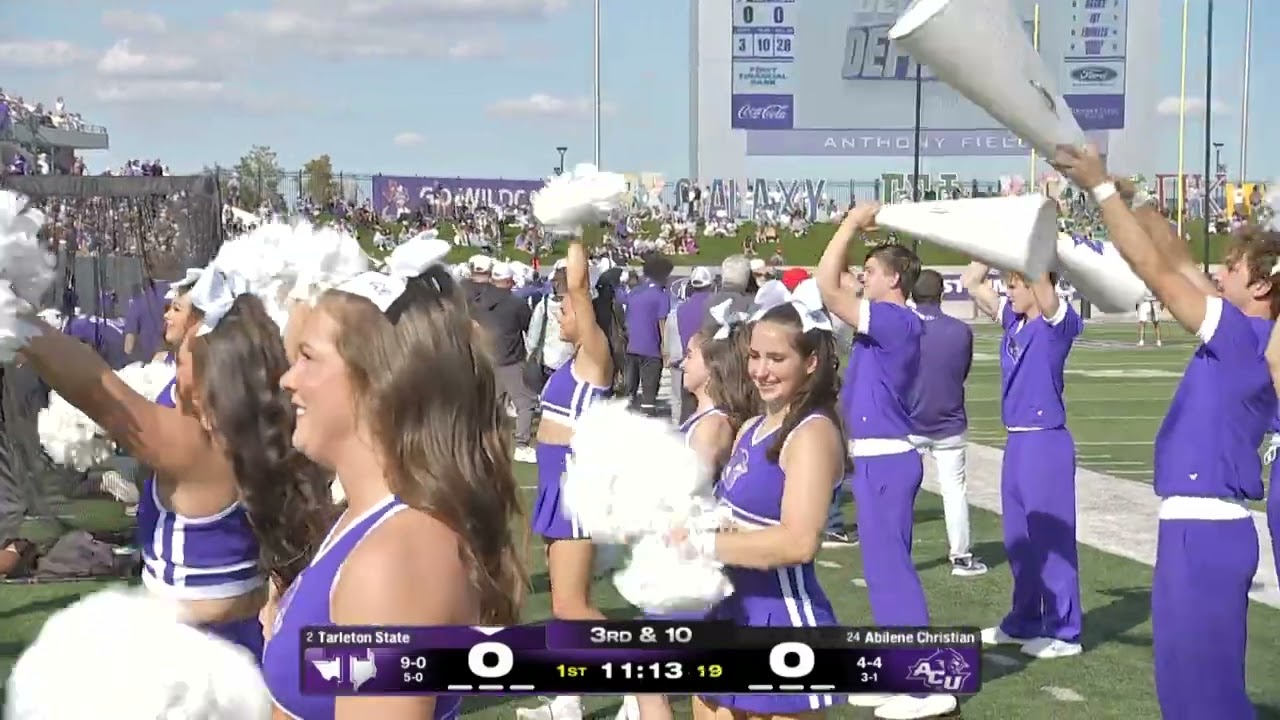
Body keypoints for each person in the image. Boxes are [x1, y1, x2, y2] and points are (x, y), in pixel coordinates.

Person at [1056, 144, 1277, 718]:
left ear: (1261, 289)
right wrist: (1141, 202)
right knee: (1189, 692)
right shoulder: (1242, 330)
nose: (1218, 272)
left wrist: (1102, 190)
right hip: (1199, 527)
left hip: (1206, 529)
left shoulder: (1238, 336)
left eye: (1232, 267)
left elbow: (1155, 270)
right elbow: (1178, 261)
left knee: (1202, 699)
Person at [263, 241, 526, 719]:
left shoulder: (395, 560)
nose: (287, 379)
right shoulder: (365, 520)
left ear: (376, 383)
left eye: (308, 358)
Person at [19, 269, 334, 662]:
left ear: (206, 380)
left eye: (182, 360)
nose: (174, 367)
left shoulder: (198, 449)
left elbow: (97, 390)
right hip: (243, 647)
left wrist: (14, 315)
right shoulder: (274, 430)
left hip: (191, 662)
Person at [675, 282, 846, 720]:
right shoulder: (751, 426)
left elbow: (798, 543)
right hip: (730, 613)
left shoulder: (812, 433)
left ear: (811, 363)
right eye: (755, 356)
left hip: (782, 622)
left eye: (777, 359)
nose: (761, 371)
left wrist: (704, 543)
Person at [816, 206, 955, 719]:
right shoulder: (891, 320)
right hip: (878, 458)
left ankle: (927, 685)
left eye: (871, 271)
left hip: (887, 459)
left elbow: (827, 284)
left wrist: (852, 224)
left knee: (894, 574)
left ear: (894, 279)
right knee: (881, 572)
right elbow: (837, 284)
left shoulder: (895, 318)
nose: (861, 276)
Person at [963, 257, 1083, 660]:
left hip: (1045, 441)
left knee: (1051, 539)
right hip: (1015, 441)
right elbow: (971, 280)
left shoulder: (1057, 327)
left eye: (1015, 283)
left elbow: (1047, 291)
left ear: (1036, 286)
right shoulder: (1013, 323)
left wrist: (1033, 252)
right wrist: (991, 245)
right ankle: (1025, 618)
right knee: (1019, 539)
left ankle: (1065, 631)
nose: (1007, 290)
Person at [519, 239, 614, 720]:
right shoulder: (573, 359)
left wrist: (576, 230)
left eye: (565, 307)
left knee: (575, 606)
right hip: (557, 487)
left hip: (576, 490)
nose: (560, 312)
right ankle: (567, 700)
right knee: (563, 605)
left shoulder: (596, 355)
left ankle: (648, 692)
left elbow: (577, 283)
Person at [907, 270, 986, 577]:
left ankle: (897, 555)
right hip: (949, 420)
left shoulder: (904, 327)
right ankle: (961, 556)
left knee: (902, 492)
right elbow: (961, 371)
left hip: (910, 421)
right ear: (942, 294)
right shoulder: (960, 331)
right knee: (954, 492)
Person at [476, 261, 536, 463]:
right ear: (510, 281)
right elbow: (529, 328)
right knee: (525, 403)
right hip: (510, 359)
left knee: (493, 404)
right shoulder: (516, 304)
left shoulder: (478, 303)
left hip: (486, 359)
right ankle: (521, 444)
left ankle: (490, 444)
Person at [623, 255, 673, 416]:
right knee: (649, 393)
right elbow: (662, 322)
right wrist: (666, 350)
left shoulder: (635, 292)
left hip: (632, 347)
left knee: (630, 390)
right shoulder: (661, 295)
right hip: (652, 350)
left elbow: (627, 320)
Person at [670, 266, 716, 423]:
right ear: (710, 284)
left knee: (687, 413)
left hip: (688, 363)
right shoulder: (716, 306)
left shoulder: (681, 309)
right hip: (711, 366)